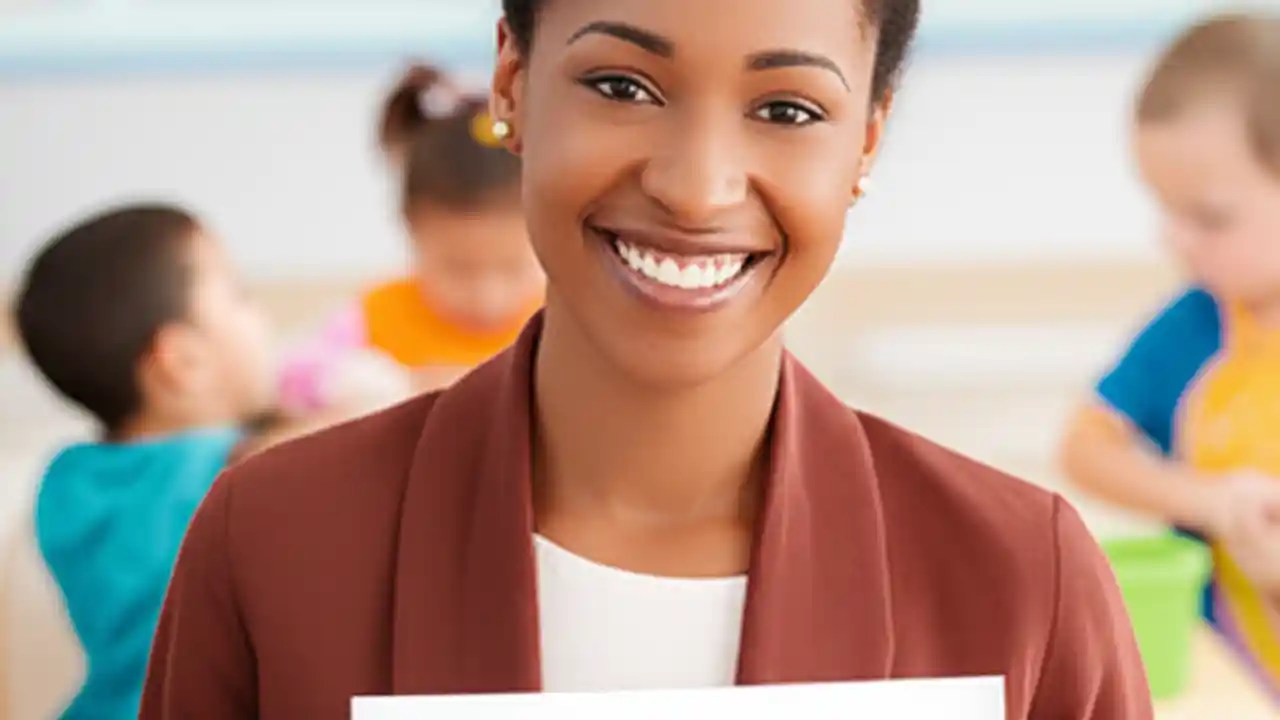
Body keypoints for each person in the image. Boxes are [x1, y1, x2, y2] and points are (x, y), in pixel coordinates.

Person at [142, 2, 1151, 718]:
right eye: (621, 85)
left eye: (787, 108)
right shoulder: (271, 544)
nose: (697, 187)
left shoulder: (1023, 582)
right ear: (513, 85)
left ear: (866, 143)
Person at [1060, 13, 1280, 699]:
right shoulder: (1192, 332)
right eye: (1165, 210)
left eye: (1210, 217)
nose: (1176, 240)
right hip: (1236, 682)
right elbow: (1085, 448)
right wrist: (1209, 501)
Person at [15, 204, 277, 719]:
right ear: (184, 361)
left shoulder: (64, 481)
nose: (262, 317)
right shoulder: (235, 472)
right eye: (240, 296)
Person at [279, 64, 545, 412]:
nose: (487, 295)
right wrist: (393, 384)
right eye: (458, 269)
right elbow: (291, 379)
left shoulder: (562, 320)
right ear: (411, 228)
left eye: (513, 268)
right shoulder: (376, 316)